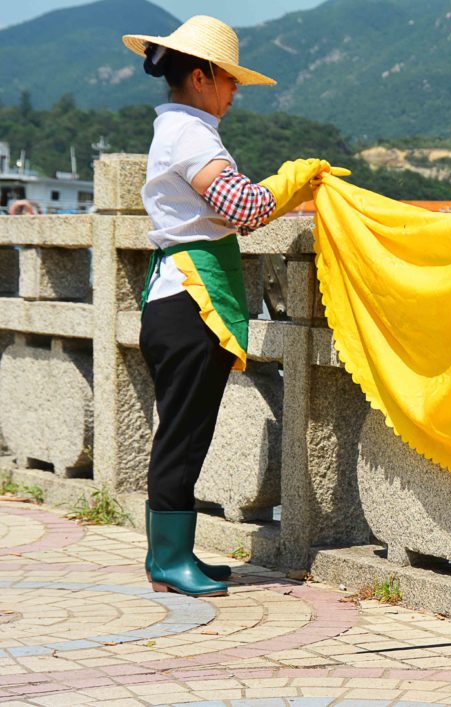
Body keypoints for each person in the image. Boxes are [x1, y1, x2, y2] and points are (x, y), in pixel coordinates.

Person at [123, 15, 345, 597]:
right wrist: (290, 181)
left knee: (184, 432)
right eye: (229, 80)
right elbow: (242, 207)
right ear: (200, 77)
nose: (234, 91)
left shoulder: (178, 128)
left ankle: (170, 554)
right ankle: (168, 559)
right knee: (183, 434)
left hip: (177, 297)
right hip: (188, 302)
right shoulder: (190, 135)